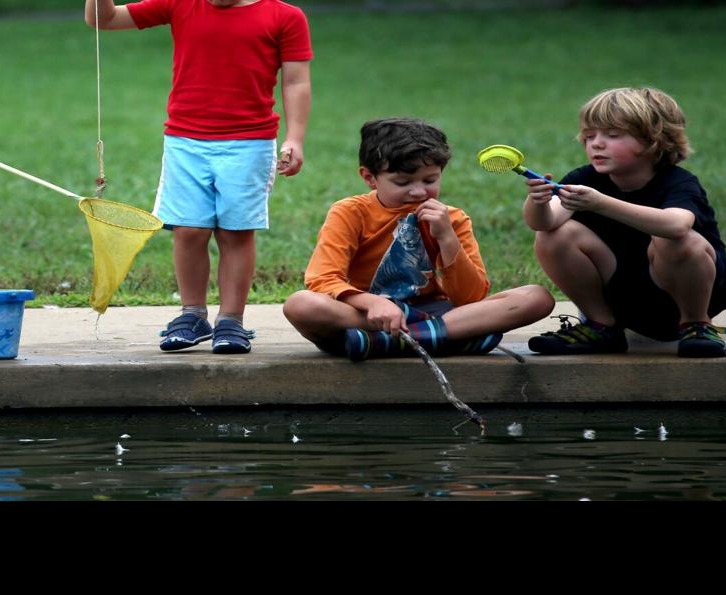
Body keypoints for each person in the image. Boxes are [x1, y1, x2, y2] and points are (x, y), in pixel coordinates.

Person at [83, 0, 311, 354]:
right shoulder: (180, 3)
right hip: (185, 141)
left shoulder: (285, 16)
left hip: (250, 143)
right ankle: (193, 315)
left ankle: (231, 320)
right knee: (188, 230)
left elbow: (296, 82)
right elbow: (104, 19)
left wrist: (294, 138)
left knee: (235, 232)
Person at [282, 117, 553, 361]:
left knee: (536, 298)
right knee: (301, 305)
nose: (419, 192)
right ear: (369, 177)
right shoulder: (350, 212)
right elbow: (322, 279)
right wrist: (373, 303)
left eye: (430, 180)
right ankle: (447, 338)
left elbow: (470, 298)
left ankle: (386, 342)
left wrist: (447, 238)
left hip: (433, 311)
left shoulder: (452, 219)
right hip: (366, 314)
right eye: (402, 182)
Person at [526, 86, 726, 358]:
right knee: (554, 235)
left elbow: (676, 225)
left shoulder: (678, 182)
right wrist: (538, 201)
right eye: (589, 136)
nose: (596, 144)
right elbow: (545, 223)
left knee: (676, 240)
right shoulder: (584, 178)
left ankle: (696, 325)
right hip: (623, 293)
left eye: (612, 135)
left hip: (684, 293)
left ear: (653, 140)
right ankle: (602, 325)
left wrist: (600, 203)